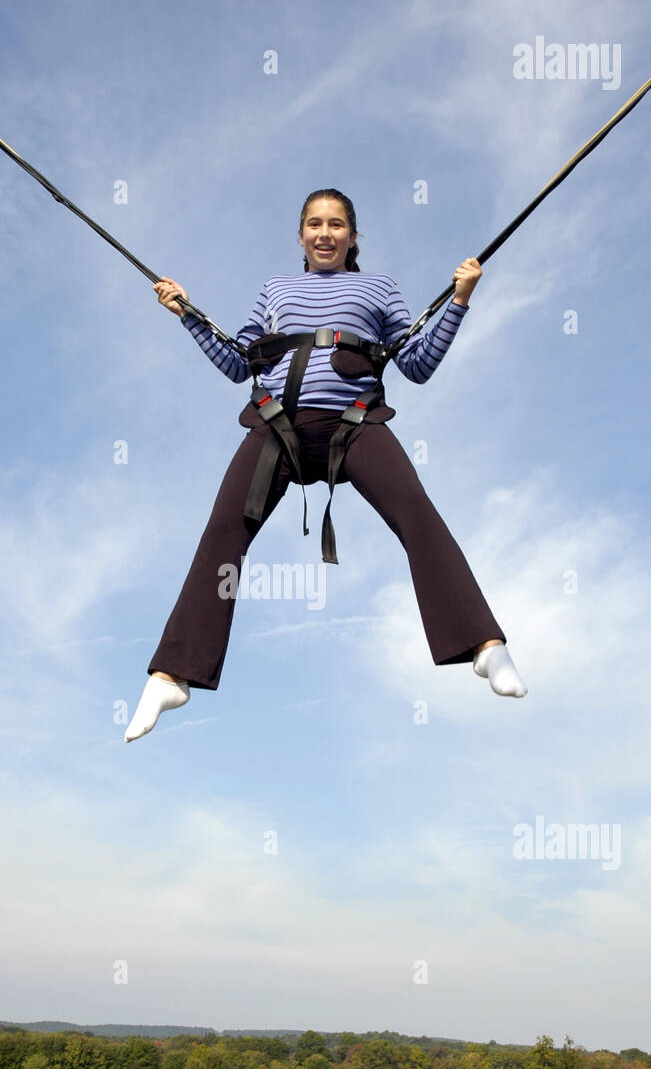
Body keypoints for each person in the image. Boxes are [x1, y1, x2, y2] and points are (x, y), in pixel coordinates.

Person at [124, 189, 526, 742]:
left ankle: (486, 646)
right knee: (223, 531)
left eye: (337, 225)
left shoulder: (378, 288)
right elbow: (239, 365)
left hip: (354, 424)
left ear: (353, 236)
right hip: (277, 428)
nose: (325, 233)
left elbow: (416, 364)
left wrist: (459, 300)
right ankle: (172, 674)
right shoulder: (276, 289)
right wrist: (186, 315)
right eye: (314, 224)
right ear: (300, 236)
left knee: (417, 514)